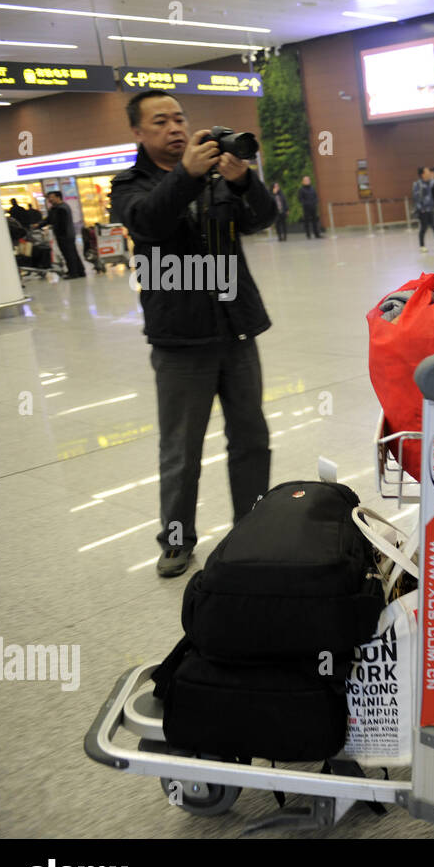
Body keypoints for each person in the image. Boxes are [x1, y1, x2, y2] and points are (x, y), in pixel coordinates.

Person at [110, 89, 275, 578]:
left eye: (179, 118)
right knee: (182, 450)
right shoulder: (130, 185)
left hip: (235, 329)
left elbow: (262, 219)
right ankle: (177, 540)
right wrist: (187, 174)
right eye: (159, 121)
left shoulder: (215, 177)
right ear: (138, 133)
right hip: (180, 339)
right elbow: (151, 223)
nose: (174, 127)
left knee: (251, 438)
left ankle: (251, 528)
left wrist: (244, 182)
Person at [44, 191, 87, 278]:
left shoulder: (61, 208)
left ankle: (73, 273)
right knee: (73, 253)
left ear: (58, 197)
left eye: (51, 197)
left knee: (69, 254)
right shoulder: (57, 208)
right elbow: (48, 220)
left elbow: (58, 223)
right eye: (48, 198)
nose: (49, 199)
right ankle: (80, 271)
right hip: (67, 234)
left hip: (64, 235)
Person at [412, 166, 434, 253]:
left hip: (433, 209)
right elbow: (416, 198)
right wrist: (421, 209)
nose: (429, 173)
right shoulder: (418, 184)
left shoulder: (432, 182)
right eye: (427, 172)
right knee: (423, 228)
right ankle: (422, 246)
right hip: (423, 210)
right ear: (422, 174)